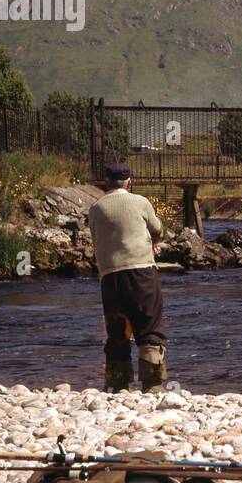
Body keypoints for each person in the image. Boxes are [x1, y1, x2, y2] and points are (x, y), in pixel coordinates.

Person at [88, 163, 167, 392]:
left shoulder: (95, 208)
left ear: (106, 182)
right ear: (129, 182)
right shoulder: (140, 202)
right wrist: (153, 244)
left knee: (117, 330)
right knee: (149, 324)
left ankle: (117, 383)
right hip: (141, 272)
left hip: (110, 276)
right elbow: (158, 230)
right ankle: (152, 385)